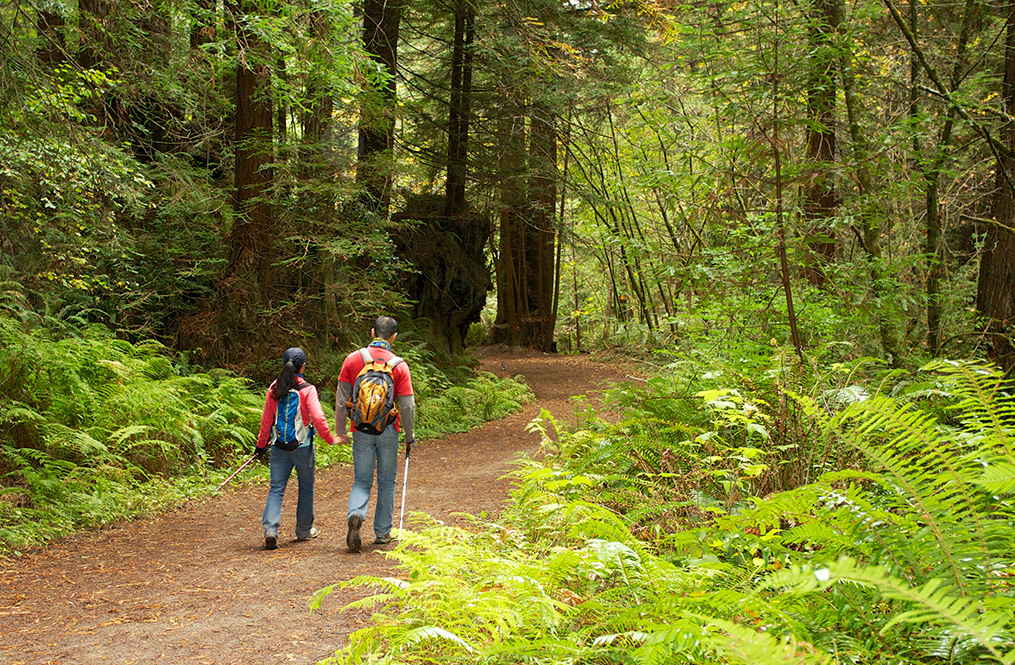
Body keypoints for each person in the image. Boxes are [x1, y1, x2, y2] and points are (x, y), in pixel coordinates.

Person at [335, 316, 416, 552]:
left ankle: (356, 513)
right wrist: (409, 436)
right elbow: (408, 405)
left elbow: (342, 399)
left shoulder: (352, 359)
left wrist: (341, 430)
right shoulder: (399, 365)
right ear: (394, 337)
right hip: (388, 430)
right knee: (387, 481)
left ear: (372, 333)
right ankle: (382, 533)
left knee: (361, 479)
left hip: (360, 430)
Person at [255, 347, 336, 550]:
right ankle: (303, 531)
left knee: (276, 489)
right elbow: (317, 417)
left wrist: (260, 445)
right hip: (303, 448)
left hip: (279, 448)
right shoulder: (308, 389)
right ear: (303, 366)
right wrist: (329, 438)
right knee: (306, 488)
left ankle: (271, 530)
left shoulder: (274, 388)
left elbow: (266, 421)